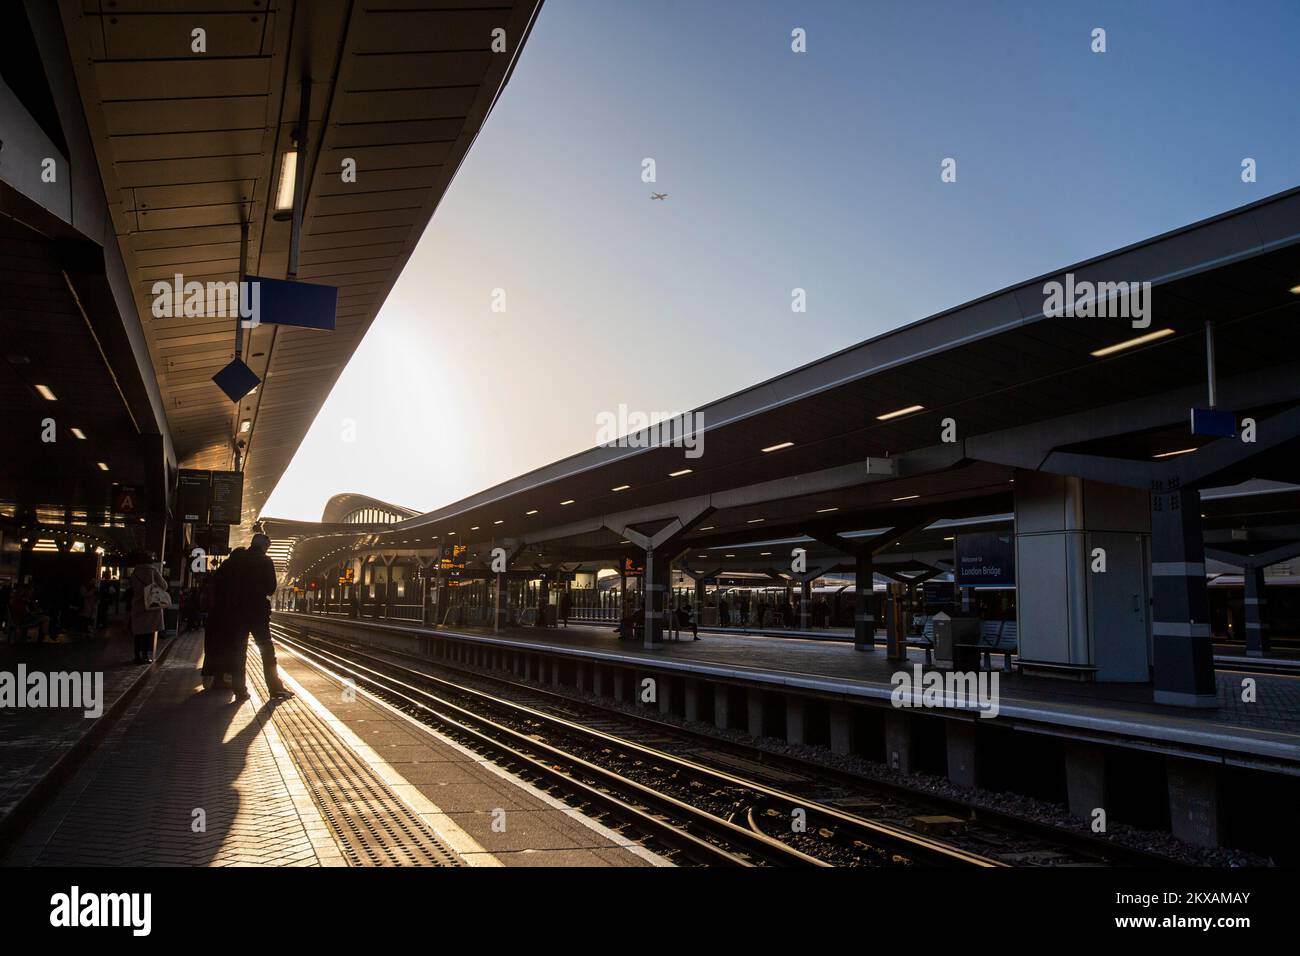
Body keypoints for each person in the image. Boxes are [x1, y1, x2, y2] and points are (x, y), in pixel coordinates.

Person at [226, 534, 291, 701]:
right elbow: (271, 588)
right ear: (264, 546)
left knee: (239, 652)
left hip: (238, 613)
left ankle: (239, 691)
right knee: (267, 651)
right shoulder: (265, 561)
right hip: (257, 613)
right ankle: (275, 689)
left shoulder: (238, 561)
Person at [129, 556, 169, 664]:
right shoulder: (153, 570)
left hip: (138, 604)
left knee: (138, 632)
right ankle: (145, 656)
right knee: (148, 632)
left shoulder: (135, 572)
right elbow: (164, 586)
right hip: (152, 604)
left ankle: (137, 656)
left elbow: (133, 587)